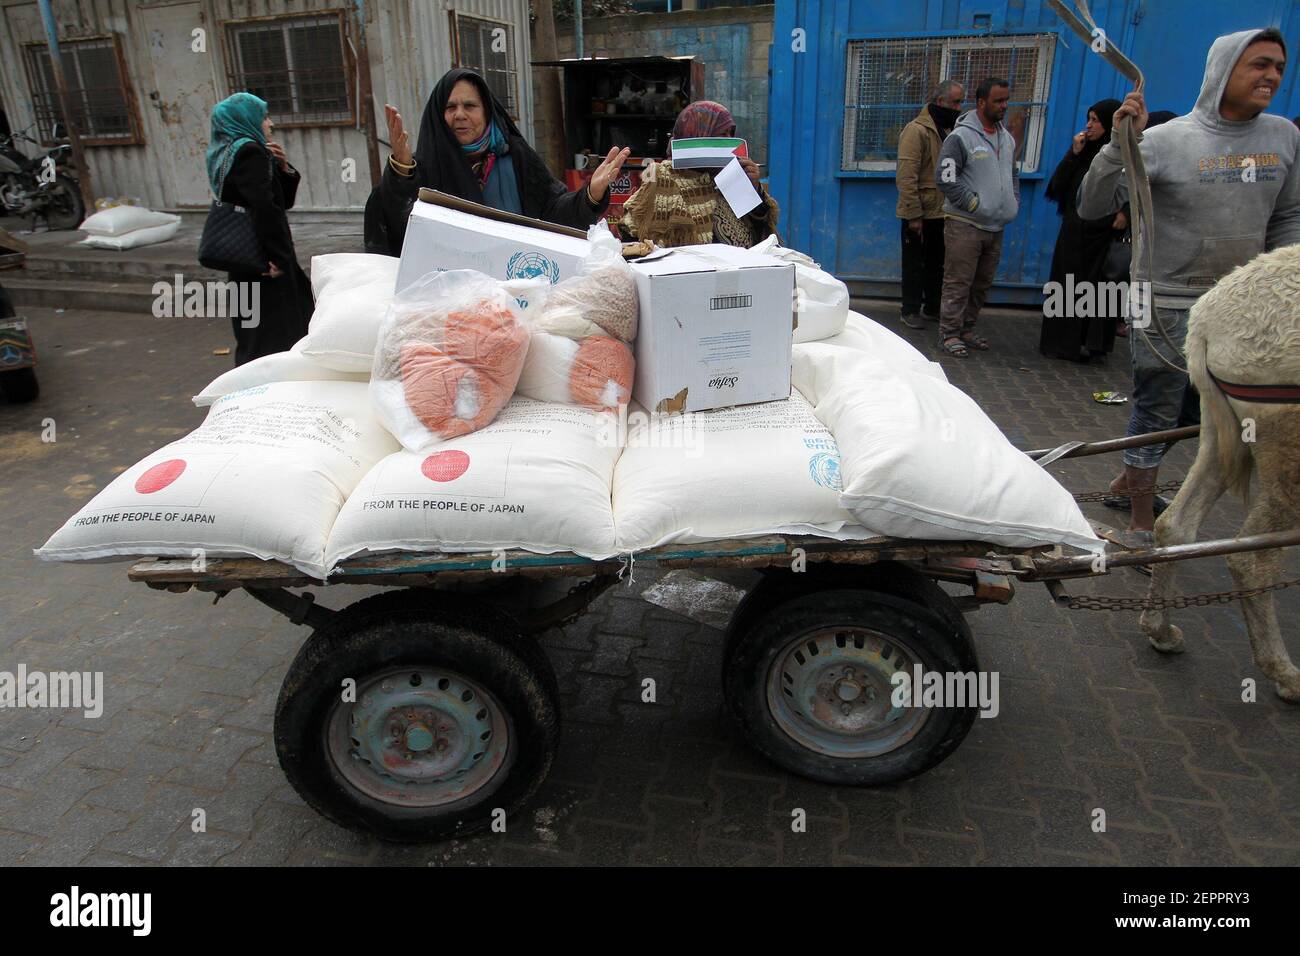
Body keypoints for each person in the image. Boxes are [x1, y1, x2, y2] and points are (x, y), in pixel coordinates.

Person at [1079, 28, 1300, 536]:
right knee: (1156, 409)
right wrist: (1118, 146)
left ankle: (1133, 472)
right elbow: (1093, 206)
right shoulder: (1165, 140)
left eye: (1278, 68)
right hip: (1165, 303)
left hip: (1243, 310)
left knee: (1203, 412)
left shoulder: (1284, 137)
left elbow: (1287, 217)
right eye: (1259, 64)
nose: (1270, 76)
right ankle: (1139, 521)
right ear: (1223, 70)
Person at [366, 68, 629, 255]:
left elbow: (552, 212)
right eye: (450, 107)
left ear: (487, 111)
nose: (460, 115)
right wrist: (400, 171)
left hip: (516, 285)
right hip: (447, 294)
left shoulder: (515, 156)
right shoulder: (424, 168)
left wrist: (591, 195)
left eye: (470, 106)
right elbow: (399, 224)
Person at [205, 92, 312, 366]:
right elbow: (266, 209)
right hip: (266, 265)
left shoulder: (226, 151)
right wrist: (277, 259)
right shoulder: (249, 153)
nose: (270, 123)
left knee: (253, 332)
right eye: (264, 117)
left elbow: (281, 200)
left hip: (244, 261)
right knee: (278, 336)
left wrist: (281, 167)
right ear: (246, 119)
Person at [934, 77, 1020, 357]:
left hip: (996, 226)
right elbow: (945, 178)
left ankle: (967, 328)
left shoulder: (1006, 139)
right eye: (998, 101)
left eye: (1006, 100)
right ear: (982, 102)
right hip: (965, 225)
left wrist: (1012, 202)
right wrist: (972, 203)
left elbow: (1013, 175)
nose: (1004, 106)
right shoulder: (960, 137)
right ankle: (948, 333)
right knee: (958, 281)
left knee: (981, 283)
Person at [619, 100, 778, 247]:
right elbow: (632, 236)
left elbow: (761, 234)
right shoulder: (662, 178)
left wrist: (753, 188)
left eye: (731, 133)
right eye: (722, 134)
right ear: (698, 135)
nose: (729, 140)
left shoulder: (731, 178)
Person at [1039, 98, 1124, 361]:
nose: (1089, 125)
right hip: (1074, 231)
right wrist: (1073, 154)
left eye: (1096, 120)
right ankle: (1063, 344)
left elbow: (1133, 188)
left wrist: (1126, 213)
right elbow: (1055, 188)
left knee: (1102, 290)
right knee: (1068, 287)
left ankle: (1095, 345)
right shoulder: (1082, 151)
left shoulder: (1119, 154)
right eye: (1088, 119)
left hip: (1104, 231)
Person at [897, 79, 965, 329]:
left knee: (938, 263)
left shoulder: (950, 130)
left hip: (943, 211)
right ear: (940, 102)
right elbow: (907, 174)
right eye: (956, 102)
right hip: (920, 210)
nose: (959, 107)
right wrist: (914, 215)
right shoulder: (917, 130)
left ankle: (933, 307)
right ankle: (910, 309)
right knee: (915, 263)